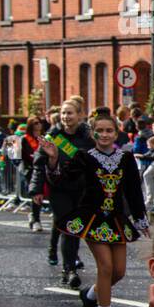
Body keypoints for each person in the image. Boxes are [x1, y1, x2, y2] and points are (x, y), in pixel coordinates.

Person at [46, 109, 150, 307]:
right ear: (93, 133)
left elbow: (133, 191)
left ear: (116, 133)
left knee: (119, 271)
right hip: (91, 218)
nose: (104, 135)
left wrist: (140, 218)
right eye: (100, 131)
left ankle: (90, 295)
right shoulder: (84, 157)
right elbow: (62, 181)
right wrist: (53, 160)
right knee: (105, 267)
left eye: (109, 130)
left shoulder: (126, 158)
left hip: (116, 219)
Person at [29, 98, 92, 287]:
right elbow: (39, 165)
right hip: (60, 189)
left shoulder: (89, 138)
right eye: (63, 113)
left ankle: (69, 263)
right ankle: (69, 269)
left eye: (70, 113)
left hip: (82, 190)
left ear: (80, 115)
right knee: (68, 229)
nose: (66, 117)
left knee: (78, 229)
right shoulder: (52, 137)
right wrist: (36, 189)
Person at [19, 116, 44, 231]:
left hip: (42, 169)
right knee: (36, 194)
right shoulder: (25, 139)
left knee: (42, 194)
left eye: (39, 122)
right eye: (36, 123)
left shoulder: (43, 138)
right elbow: (22, 155)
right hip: (30, 170)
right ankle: (36, 219)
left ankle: (34, 215)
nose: (38, 125)